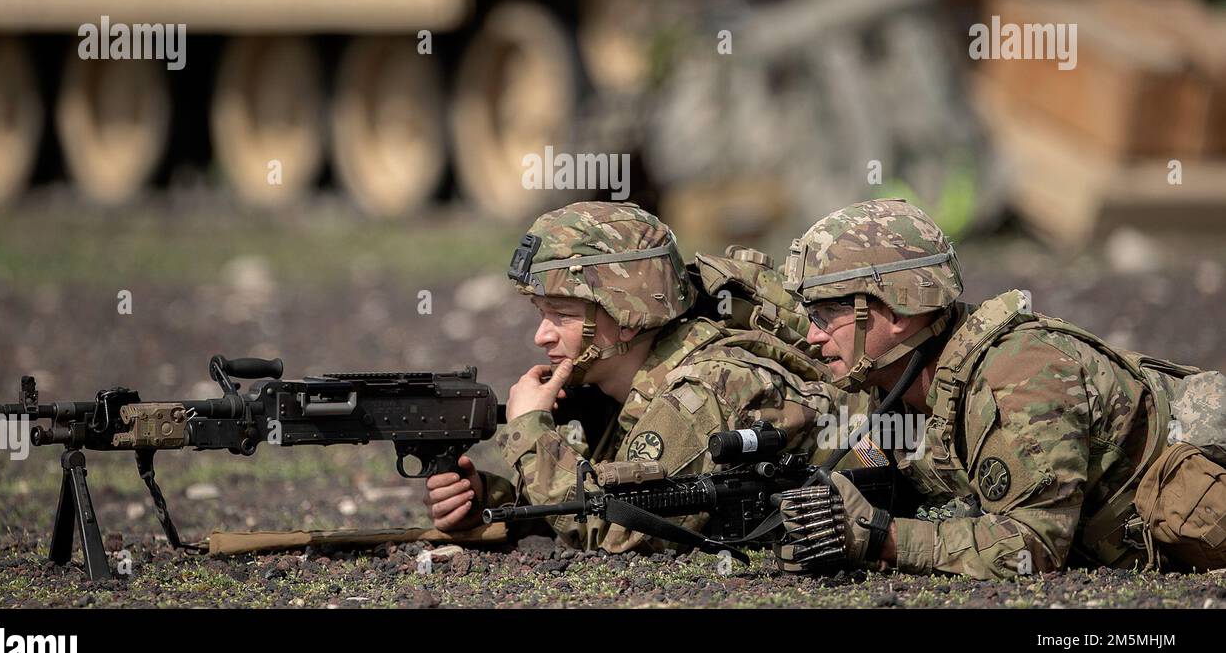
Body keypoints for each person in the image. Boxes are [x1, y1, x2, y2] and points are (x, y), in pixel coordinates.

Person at [777, 198, 1226, 578]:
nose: (814, 335)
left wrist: (882, 538)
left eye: (827, 314)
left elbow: (1033, 548)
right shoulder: (887, 379)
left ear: (897, 311)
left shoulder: (1019, 375)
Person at [422, 201, 844, 553]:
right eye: (541, 313)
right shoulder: (631, 382)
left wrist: (530, 433)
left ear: (628, 317)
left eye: (562, 315)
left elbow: (615, 530)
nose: (540, 336)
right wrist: (488, 501)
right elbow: (606, 487)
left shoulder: (703, 390)